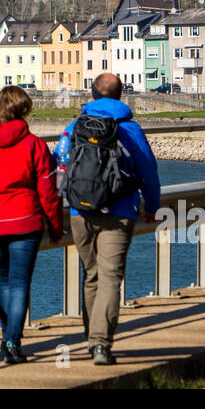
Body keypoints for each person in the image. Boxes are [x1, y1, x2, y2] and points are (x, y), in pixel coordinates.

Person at [53, 72, 160, 365]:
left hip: (80, 212)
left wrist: (65, 203)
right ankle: (101, 344)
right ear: (121, 95)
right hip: (119, 210)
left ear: (92, 95)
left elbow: (60, 165)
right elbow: (149, 171)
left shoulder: (74, 126)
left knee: (92, 275)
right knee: (111, 277)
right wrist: (151, 206)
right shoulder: (130, 129)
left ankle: (92, 339)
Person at [0, 85, 64, 364]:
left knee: (3, 281)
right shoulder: (36, 146)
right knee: (20, 284)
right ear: (25, 110)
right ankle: (11, 340)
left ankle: (8, 340)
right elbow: (49, 193)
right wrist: (55, 228)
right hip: (26, 222)